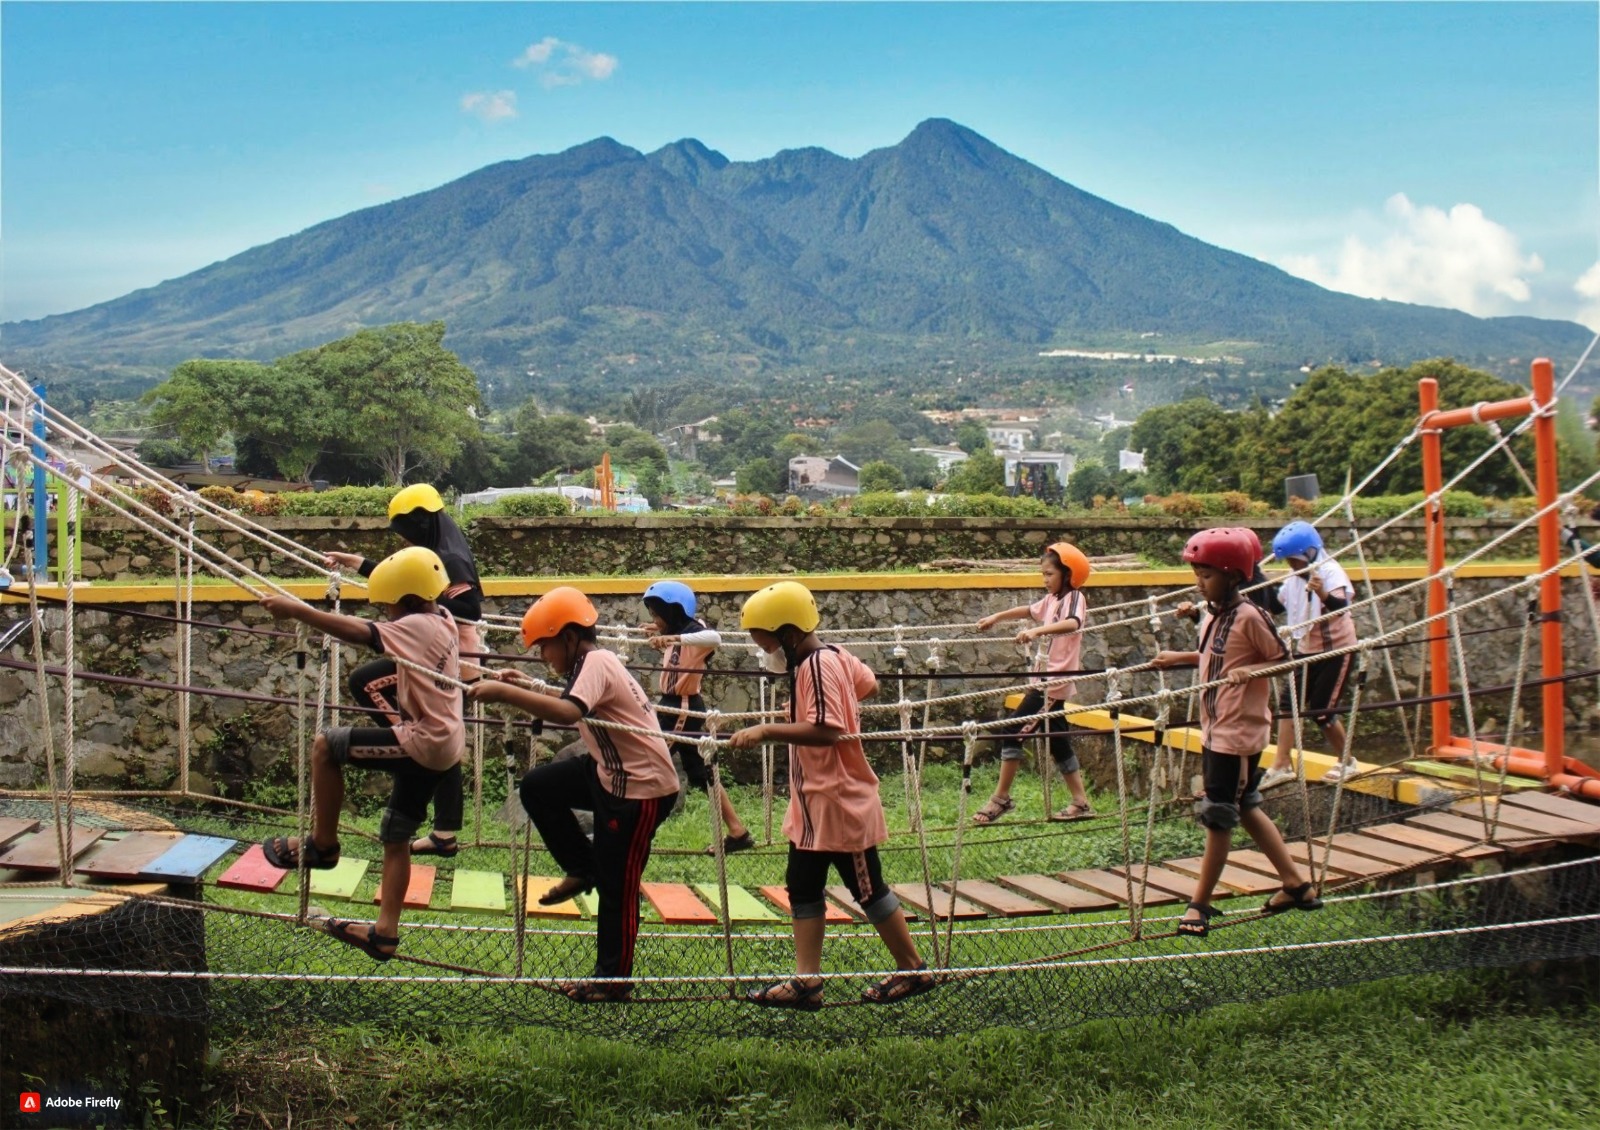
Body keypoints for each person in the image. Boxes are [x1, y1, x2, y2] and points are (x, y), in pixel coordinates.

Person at [729, 581, 936, 1008]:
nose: (764, 653)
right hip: (812, 805)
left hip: (839, 800)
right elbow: (869, 684)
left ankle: (914, 969)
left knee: (867, 887)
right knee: (802, 886)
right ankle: (807, 983)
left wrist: (766, 730)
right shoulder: (836, 656)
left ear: (788, 635)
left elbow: (828, 730)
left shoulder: (817, 666)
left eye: (765, 643)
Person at [468, 586, 679, 1002]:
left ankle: (612, 982)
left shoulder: (597, 660)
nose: (543, 656)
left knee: (617, 885)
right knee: (538, 787)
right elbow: (572, 699)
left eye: (545, 647)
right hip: (608, 772)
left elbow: (569, 712)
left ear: (567, 637)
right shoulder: (589, 665)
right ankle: (583, 868)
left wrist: (506, 693)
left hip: (640, 789)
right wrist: (527, 683)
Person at [257, 546, 465, 961]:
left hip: (422, 740)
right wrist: (361, 566)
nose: (386, 611)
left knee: (326, 747)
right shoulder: (442, 617)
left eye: (389, 604)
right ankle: (384, 934)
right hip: (446, 744)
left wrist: (299, 611)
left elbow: (358, 631)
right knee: (396, 837)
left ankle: (323, 845)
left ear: (405, 601)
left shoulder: (418, 626)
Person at [1153, 528, 1323, 937]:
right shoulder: (1213, 613)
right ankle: (1297, 885)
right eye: (1197, 573)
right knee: (1246, 805)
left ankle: (1200, 903)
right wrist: (1178, 657)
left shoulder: (1250, 616)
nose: (1199, 582)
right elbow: (1215, 658)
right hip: (1217, 728)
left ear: (1233, 575)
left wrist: (1254, 672)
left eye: (1206, 575)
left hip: (1237, 734)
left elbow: (1283, 661)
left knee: (1219, 816)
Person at [324, 483, 483, 858]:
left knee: (366, 683)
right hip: (433, 655)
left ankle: (408, 744)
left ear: (424, 521)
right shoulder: (434, 551)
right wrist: (355, 562)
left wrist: (428, 615)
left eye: (407, 527)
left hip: (448, 662)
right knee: (445, 742)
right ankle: (444, 832)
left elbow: (471, 610)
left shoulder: (451, 558)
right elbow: (407, 584)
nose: (405, 537)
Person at [971, 542, 1095, 824]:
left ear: (1068, 574)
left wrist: (1037, 631)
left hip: (1052, 684)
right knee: (1058, 740)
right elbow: (1030, 611)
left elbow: (1074, 623)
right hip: (1042, 681)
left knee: (1013, 729)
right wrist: (997, 617)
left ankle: (1000, 798)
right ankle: (1081, 801)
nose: (1045, 579)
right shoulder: (1051, 601)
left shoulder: (1074, 598)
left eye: (1049, 574)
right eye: (1043, 574)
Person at [641, 580, 754, 854]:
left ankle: (639, 830)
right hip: (674, 706)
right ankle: (737, 831)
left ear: (675, 612)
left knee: (647, 763)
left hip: (681, 709)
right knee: (700, 773)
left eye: (659, 615)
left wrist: (673, 638)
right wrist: (662, 631)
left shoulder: (694, 633)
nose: (655, 620)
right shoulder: (678, 631)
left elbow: (714, 638)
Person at [1262, 521, 1357, 787]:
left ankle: (1347, 760)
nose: (1292, 566)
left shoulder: (1330, 572)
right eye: (1289, 561)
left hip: (1336, 651)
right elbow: (1276, 608)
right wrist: (1256, 580)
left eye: (1295, 560)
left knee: (1321, 711)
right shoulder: (1294, 580)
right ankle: (1281, 764)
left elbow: (1340, 607)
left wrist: (1321, 591)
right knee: (1286, 705)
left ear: (1310, 554)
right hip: (1305, 650)